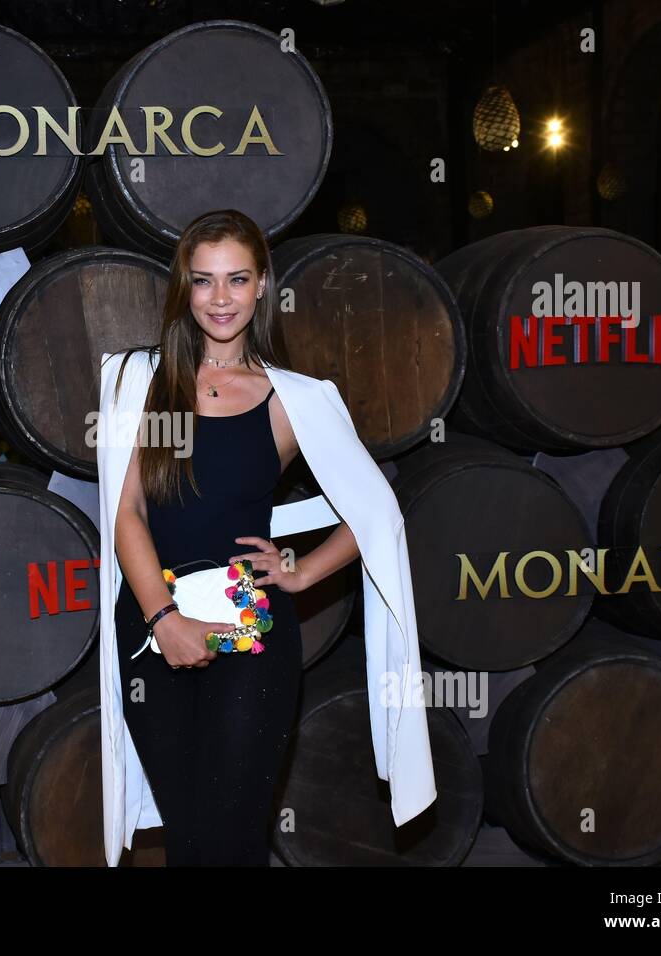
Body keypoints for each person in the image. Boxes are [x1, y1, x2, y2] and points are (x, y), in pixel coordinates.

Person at [96, 209, 434, 866]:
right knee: (188, 834)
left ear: (261, 287)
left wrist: (304, 573)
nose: (220, 299)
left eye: (237, 279)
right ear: (182, 289)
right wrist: (163, 618)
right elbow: (127, 510)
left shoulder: (294, 399)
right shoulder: (137, 381)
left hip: (250, 629)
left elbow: (379, 512)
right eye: (204, 281)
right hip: (149, 627)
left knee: (232, 833)